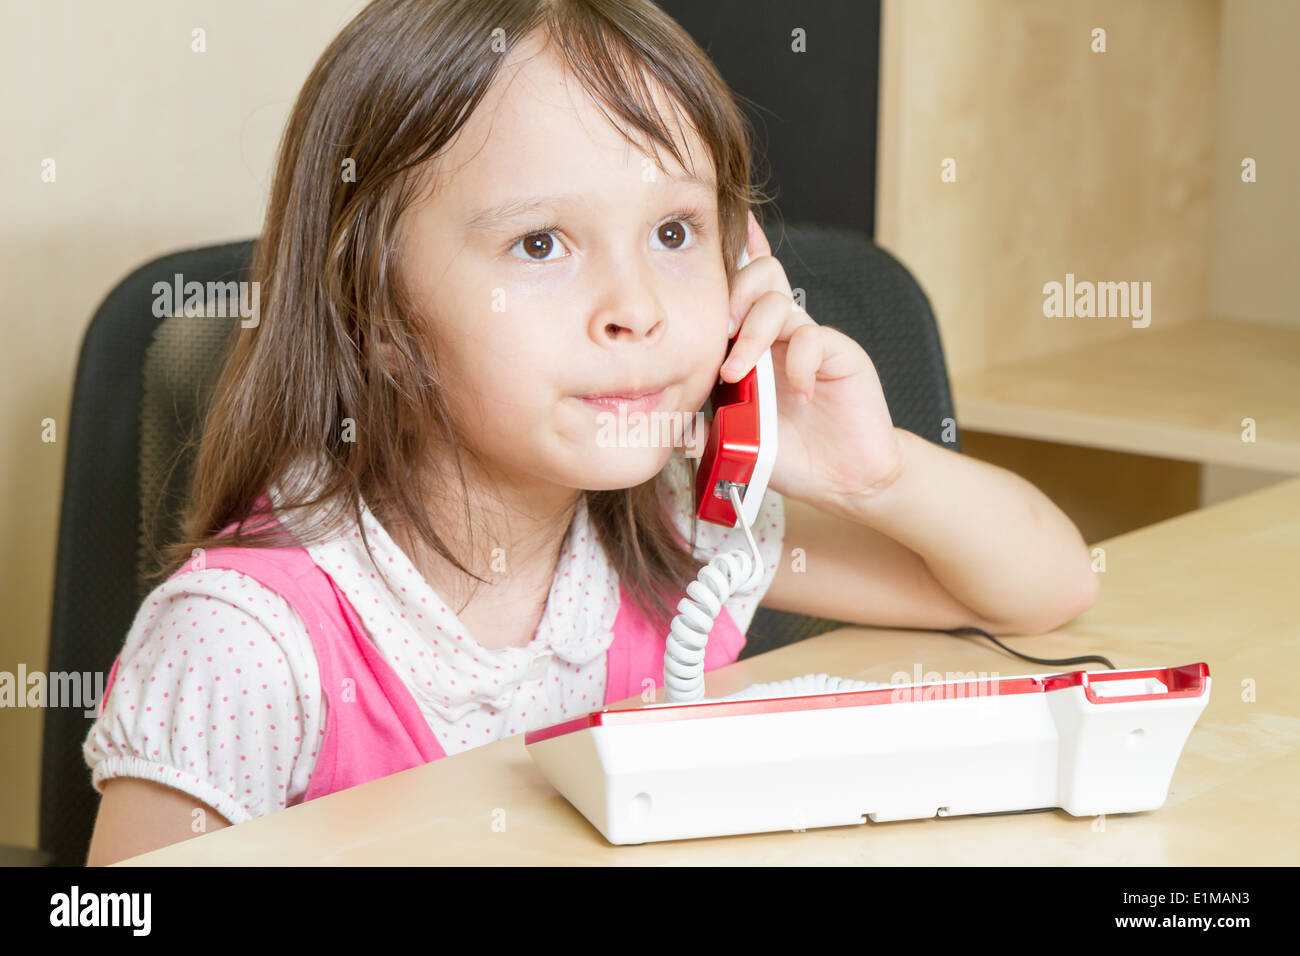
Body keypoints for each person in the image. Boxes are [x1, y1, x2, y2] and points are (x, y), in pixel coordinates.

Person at [84, 0, 1097, 865]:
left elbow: (1048, 584)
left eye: (672, 233)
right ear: (373, 316)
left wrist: (872, 477)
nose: (638, 307)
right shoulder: (245, 645)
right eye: (540, 242)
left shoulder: (663, 527)